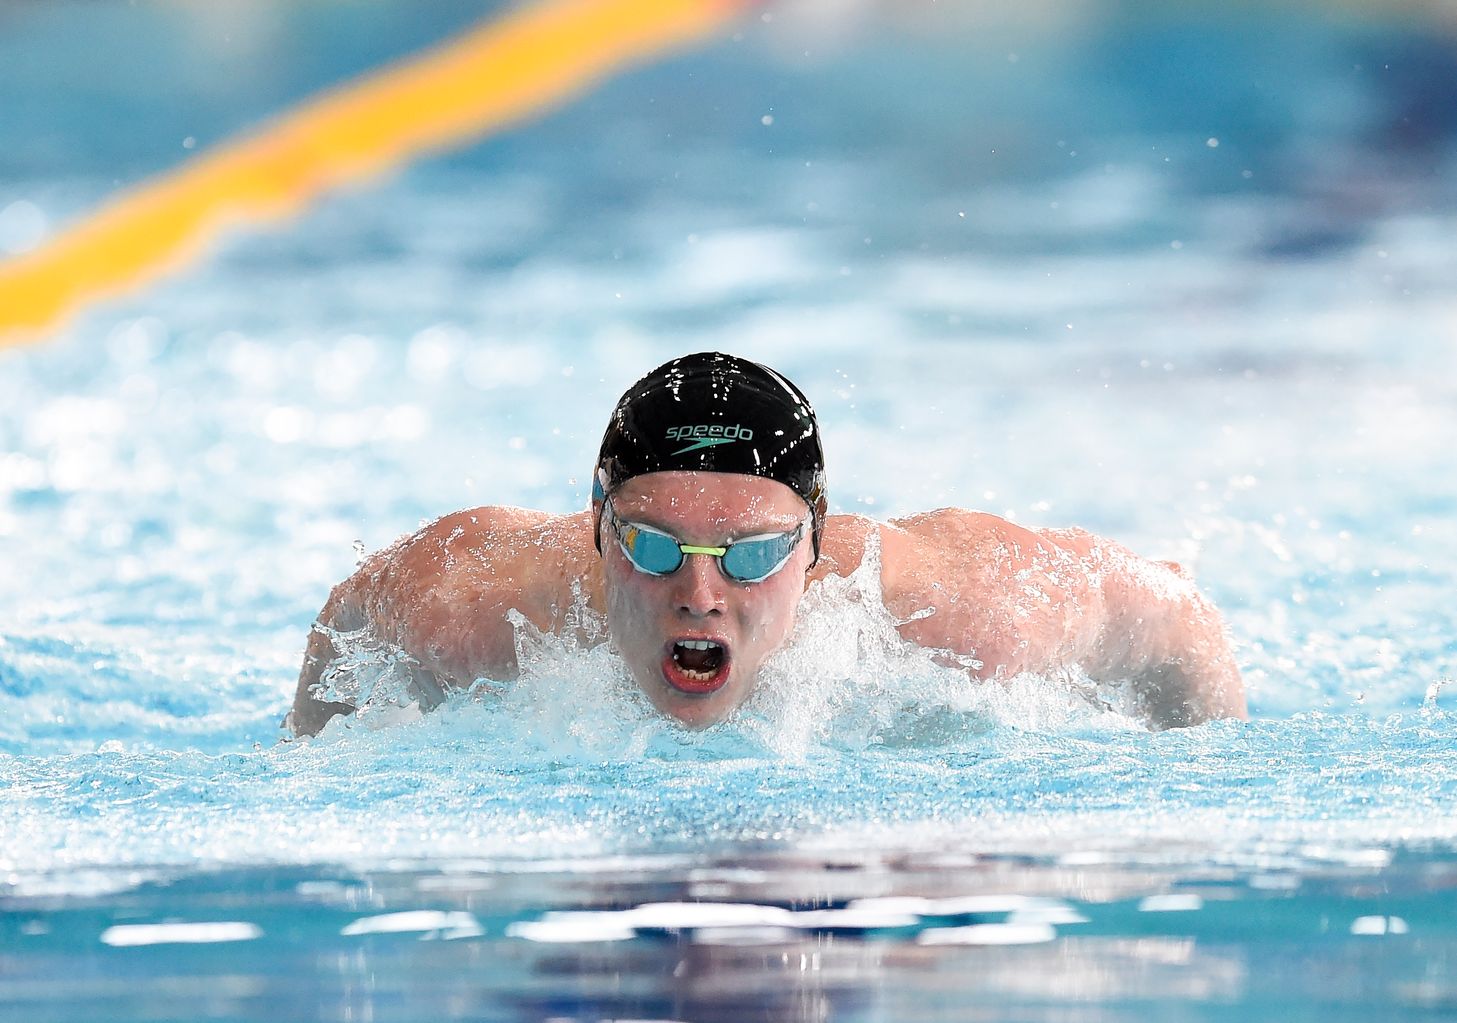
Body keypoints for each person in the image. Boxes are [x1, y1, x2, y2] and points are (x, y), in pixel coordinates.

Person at [288, 352, 1246, 736]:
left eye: (749, 554)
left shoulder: (969, 617)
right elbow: (348, 617)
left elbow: (1179, 625)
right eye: (654, 545)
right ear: (596, 526)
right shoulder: (468, 605)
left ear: (816, 543)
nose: (698, 593)